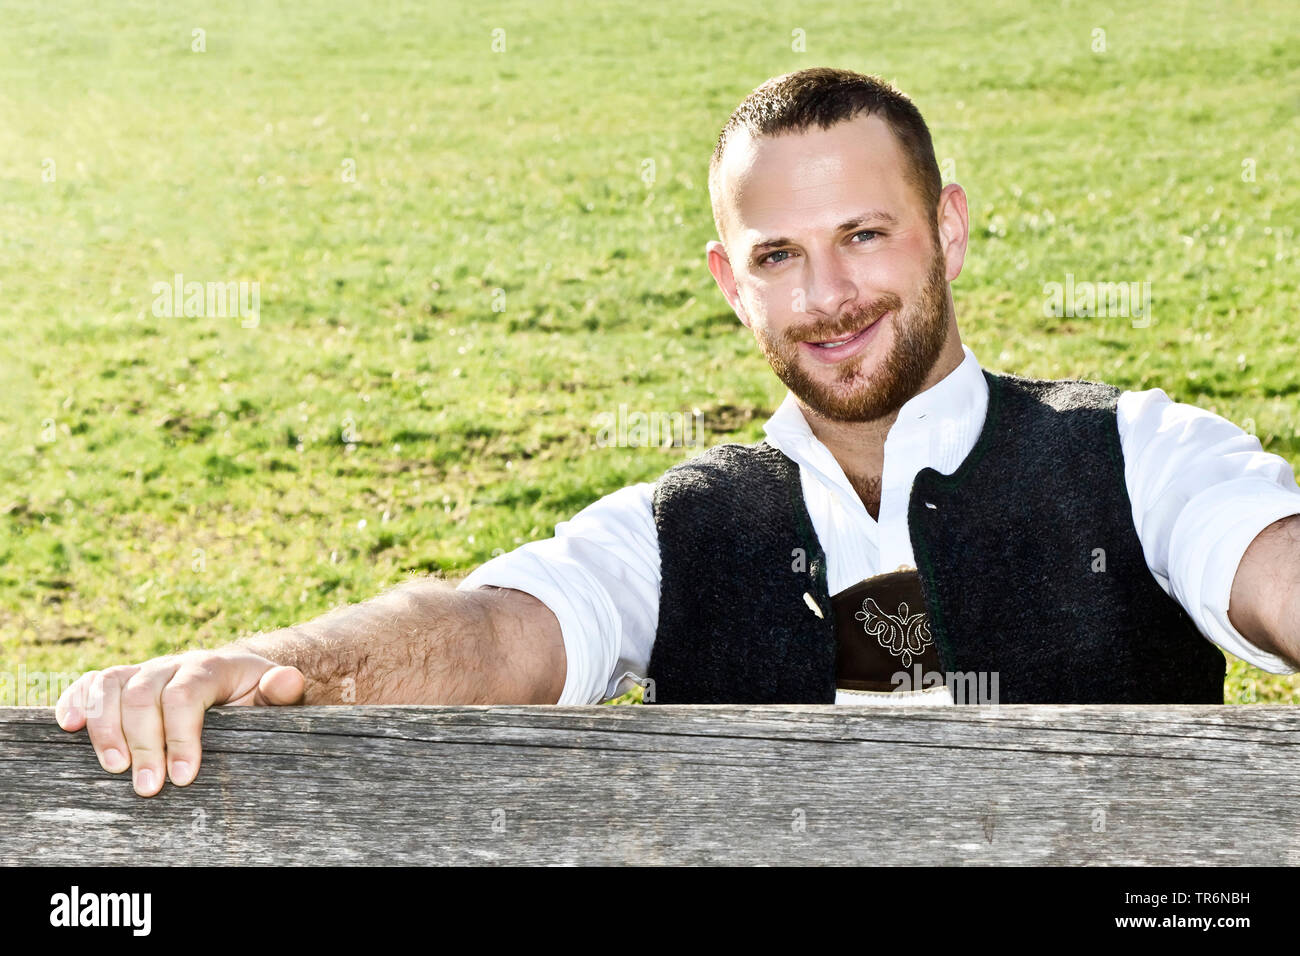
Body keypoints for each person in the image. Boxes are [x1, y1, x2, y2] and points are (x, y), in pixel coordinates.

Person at [55, 67, 1300, 797]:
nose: (828, 296)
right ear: (728, 279)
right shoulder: (685, 524)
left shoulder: (1134, 453)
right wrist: (273, 662)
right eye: (778, 255)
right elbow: (494, 626)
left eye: (865, 234)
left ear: (950, 230)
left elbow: (1262, 557)